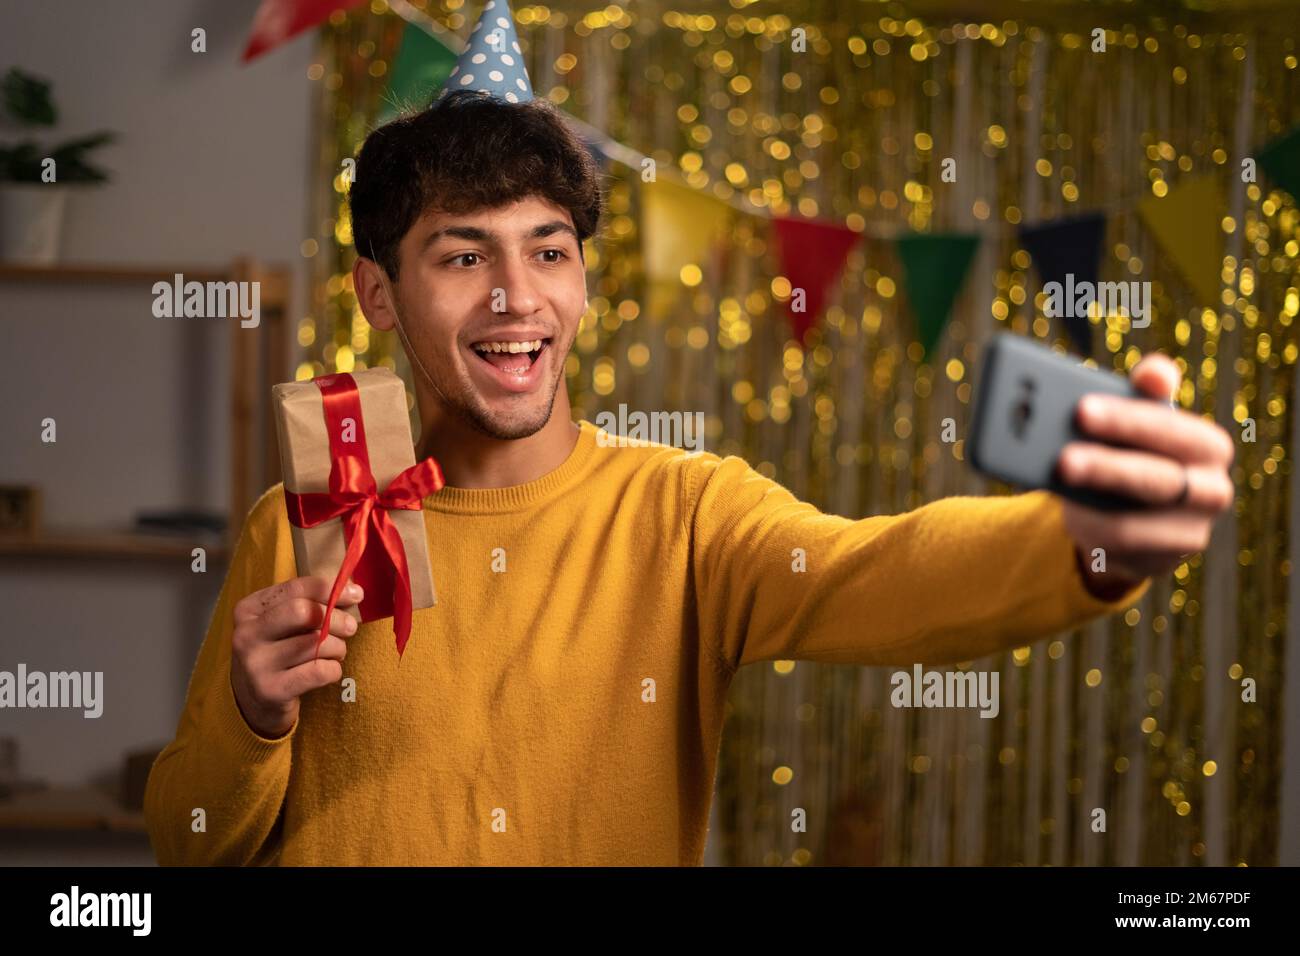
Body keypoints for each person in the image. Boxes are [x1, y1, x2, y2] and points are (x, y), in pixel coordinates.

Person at [144, 6, 1234, 867]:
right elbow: (188, 843)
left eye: (550, 250)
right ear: (377, 293)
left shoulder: (683, 513)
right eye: (463, 255)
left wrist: (1086, 543)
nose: (517, 298)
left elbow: (884, 572)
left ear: (584, 278)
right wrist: (251, 710)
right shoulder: (301, 527)